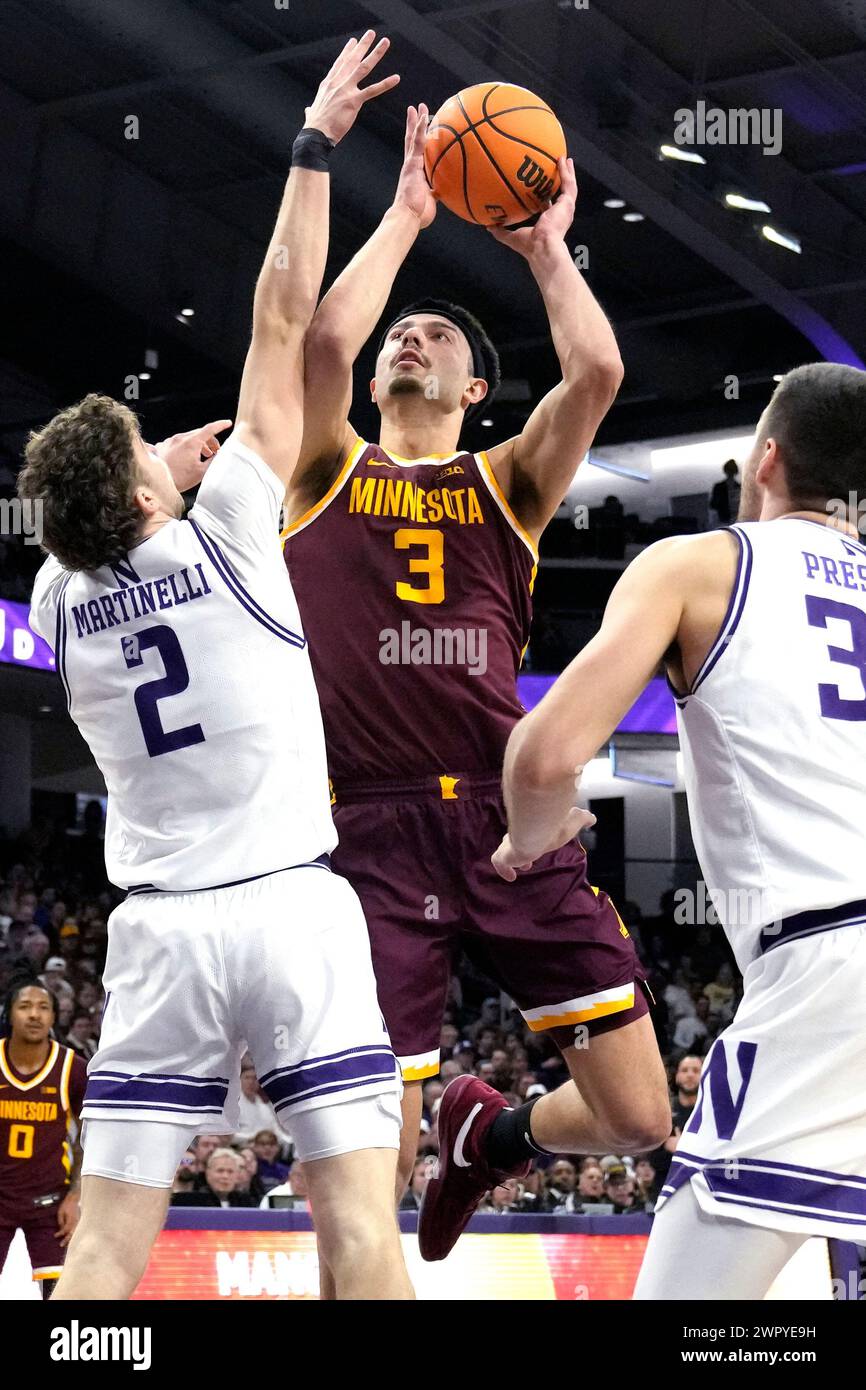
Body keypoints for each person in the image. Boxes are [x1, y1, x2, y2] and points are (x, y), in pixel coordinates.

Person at [18, 33, 412, 1302]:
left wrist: (151, 472)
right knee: (355, 1227)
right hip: (292, 906)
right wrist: (313, 142)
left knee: (105, 1257)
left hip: (161, 933)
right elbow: (283, 313)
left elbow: (99, 532)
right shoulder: (237, 522)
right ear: (149, 484)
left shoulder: (55, 597)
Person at [283, 90, 669, 1219]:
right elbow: (317, 339)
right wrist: (404, 210)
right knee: (365, 1179)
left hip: (511, 823)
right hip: (369, 827)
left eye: (437, 337)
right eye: (400, 334)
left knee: (639, 1115)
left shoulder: (506, 482)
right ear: (374, 379)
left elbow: (594, 376)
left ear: (473, 391)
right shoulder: (320, 473)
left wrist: (548, 251)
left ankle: (490, 1130)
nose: (410, 338)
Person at [450, 361, 866, 1297]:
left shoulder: (701, 565)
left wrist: (531, 835)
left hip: (827, 971)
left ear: (766, 461)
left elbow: (544, 755)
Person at [0, 977, 87, 1298]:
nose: (34, 1015)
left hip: (51, 1202)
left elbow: (93, 1135)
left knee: (62, 1291)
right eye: (25, 1007)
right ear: (9, 1014)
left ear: (53, 1016)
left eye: (43, 1008)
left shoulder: (72, 1068)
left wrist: (77, 1195)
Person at [710, 459, 741, 525]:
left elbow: (713, 505)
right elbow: (713, 504)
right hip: (725, 519)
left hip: (733, 519)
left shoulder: (719, 487)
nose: (730, 473)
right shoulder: (719, 487)